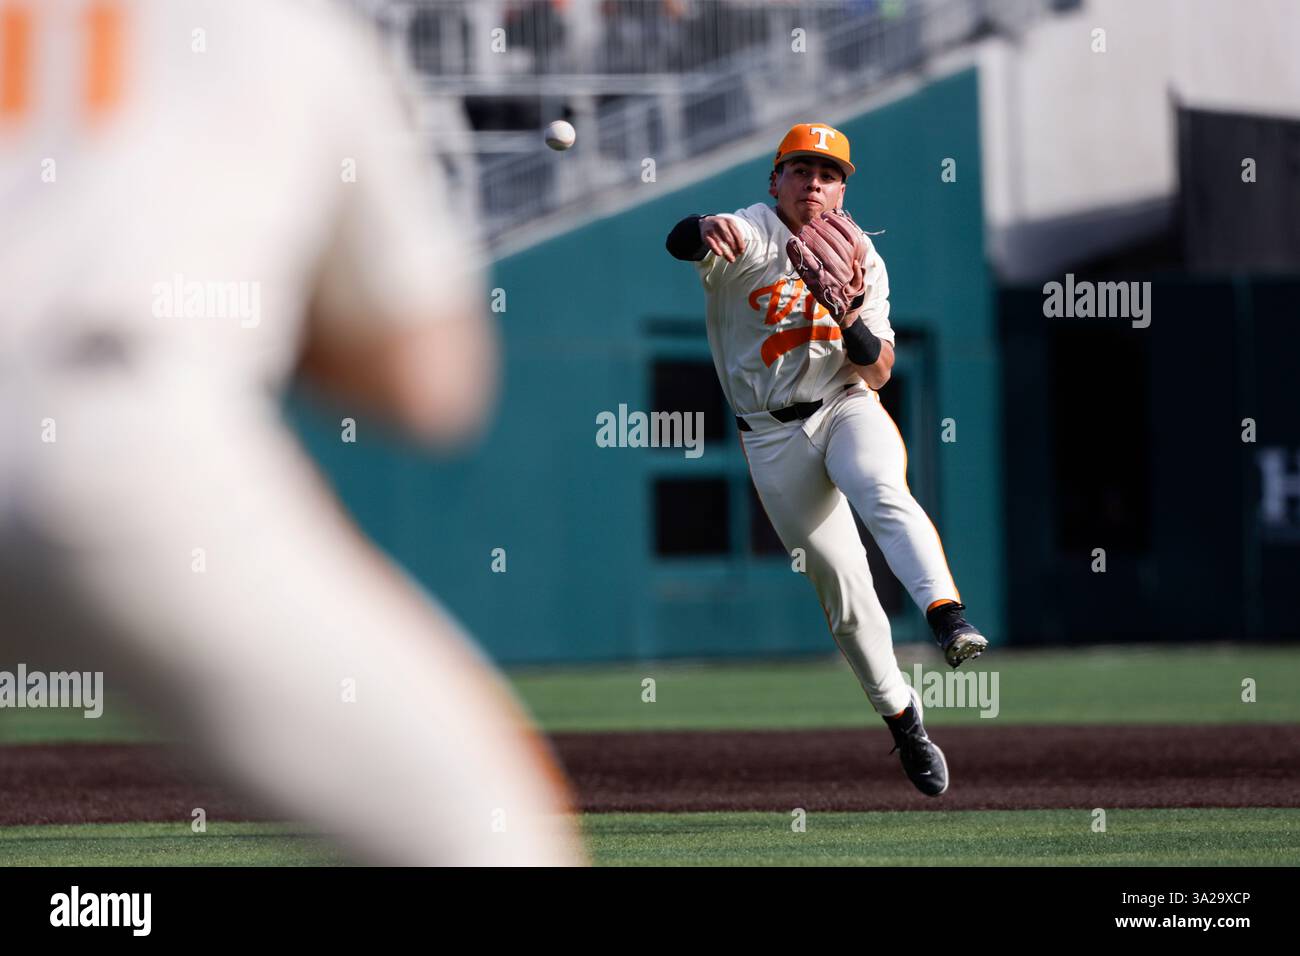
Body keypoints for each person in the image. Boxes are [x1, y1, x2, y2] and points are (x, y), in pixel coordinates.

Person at [0, 0, 581, 864]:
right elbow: (431, 388)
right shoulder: (288, 34)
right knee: (486, 832)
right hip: (114, 443)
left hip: (107, 430)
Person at [663, 122, 988, 796]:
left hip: (843, 402)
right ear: (775, 180)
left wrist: (848, 317)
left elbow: (879, 372)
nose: (814, 184)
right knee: (844, 590)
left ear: (842, 191)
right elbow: (682, 240)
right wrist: (702, 227)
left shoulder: (862, 255)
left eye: (829, 175)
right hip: (770, 434)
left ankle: (946, 616)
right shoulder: (750, 232)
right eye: (801, 170)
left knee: (879, 486)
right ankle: (904, 721)